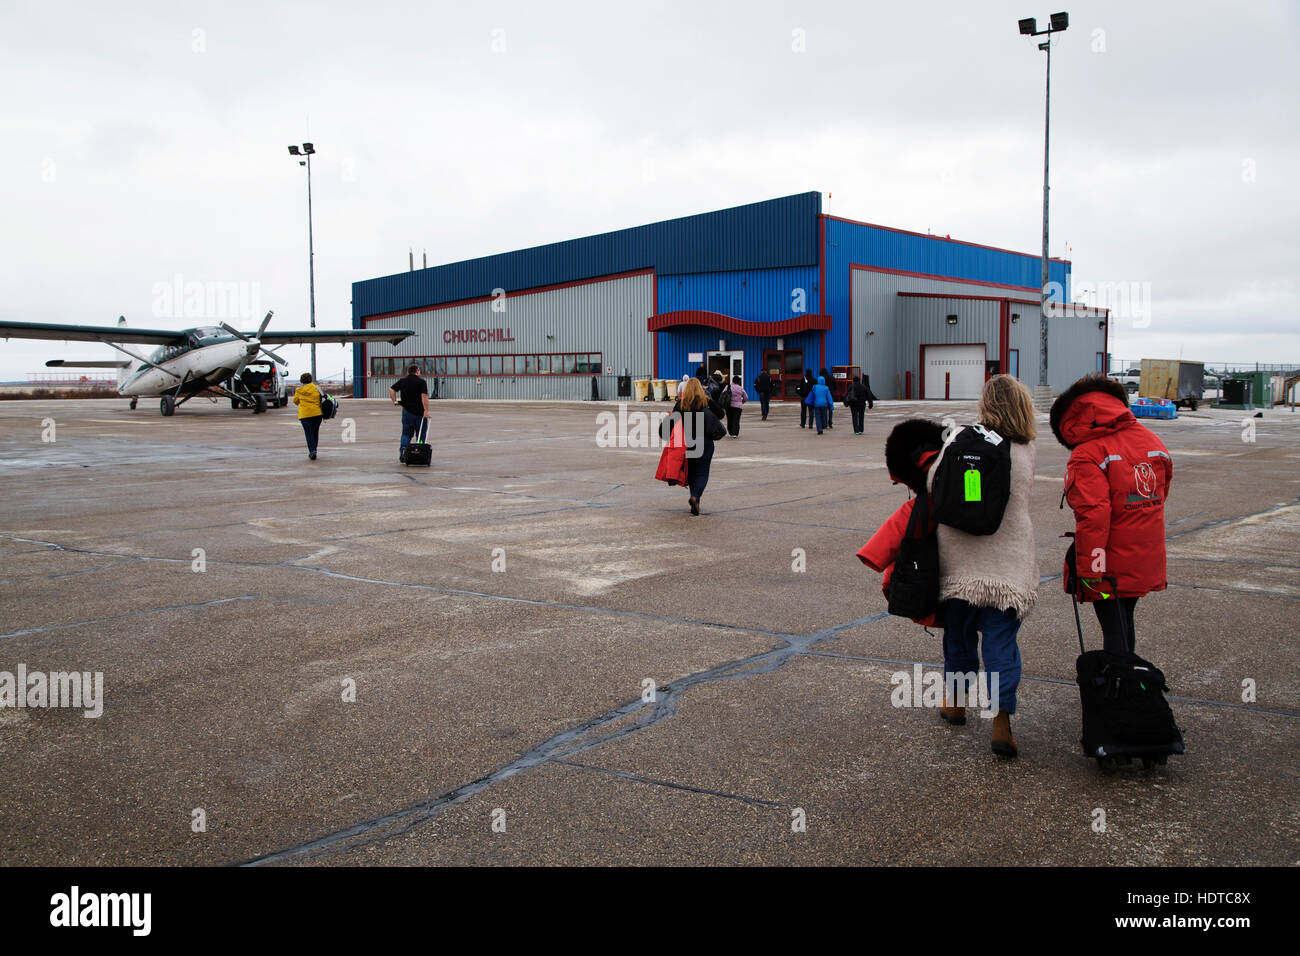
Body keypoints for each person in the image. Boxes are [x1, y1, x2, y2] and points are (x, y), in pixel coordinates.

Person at [926, 374, 1039, 758]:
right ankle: (1001, 722)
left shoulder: (959, 440)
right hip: (1006, 564)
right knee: (1000, 643)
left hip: (958, 560)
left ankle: (955, 703)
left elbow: (932, 483)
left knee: (958, 637)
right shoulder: (1025, 449)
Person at [1050, 373, 1173, 655]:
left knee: (1114, 627)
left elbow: (1094, 516)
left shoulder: (1088, 453)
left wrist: (1091, 572)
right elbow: (1160, 493)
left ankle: (1120, 688)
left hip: (1108, 563)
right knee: (1123, 621)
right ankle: (1127, 680)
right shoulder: (1151, 439)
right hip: (1145, 556)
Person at [659, 378, 725, 515]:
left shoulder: (681, 404)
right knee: (702, 472)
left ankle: (695, 501)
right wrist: (709, 403)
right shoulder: (706, 401)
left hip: (687, 443)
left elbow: (672, 421)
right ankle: (695, 497)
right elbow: (721, 414)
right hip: (704, 442)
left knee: (692, 472)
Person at [389, 363, 430, 463]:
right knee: (421, 434)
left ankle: (403, 451)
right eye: (419, 371)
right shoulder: (421, 382)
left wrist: (394, 401)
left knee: (406, 434)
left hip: (407, 412)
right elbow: (424, 396)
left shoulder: (403, 381)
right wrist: (426, 411)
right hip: (419, 413)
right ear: (416, 371)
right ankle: (419, 451)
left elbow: (391, 389)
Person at [293, 372, 324, 460]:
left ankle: (312, 451)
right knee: (315, 432)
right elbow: (322, 398)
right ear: (311, 379)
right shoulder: (317, 388)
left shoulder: (299, 390)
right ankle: (314, 450)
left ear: (301, 381)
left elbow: (295, 401)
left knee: (309, 433)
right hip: (317, 413)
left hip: (305, 415)